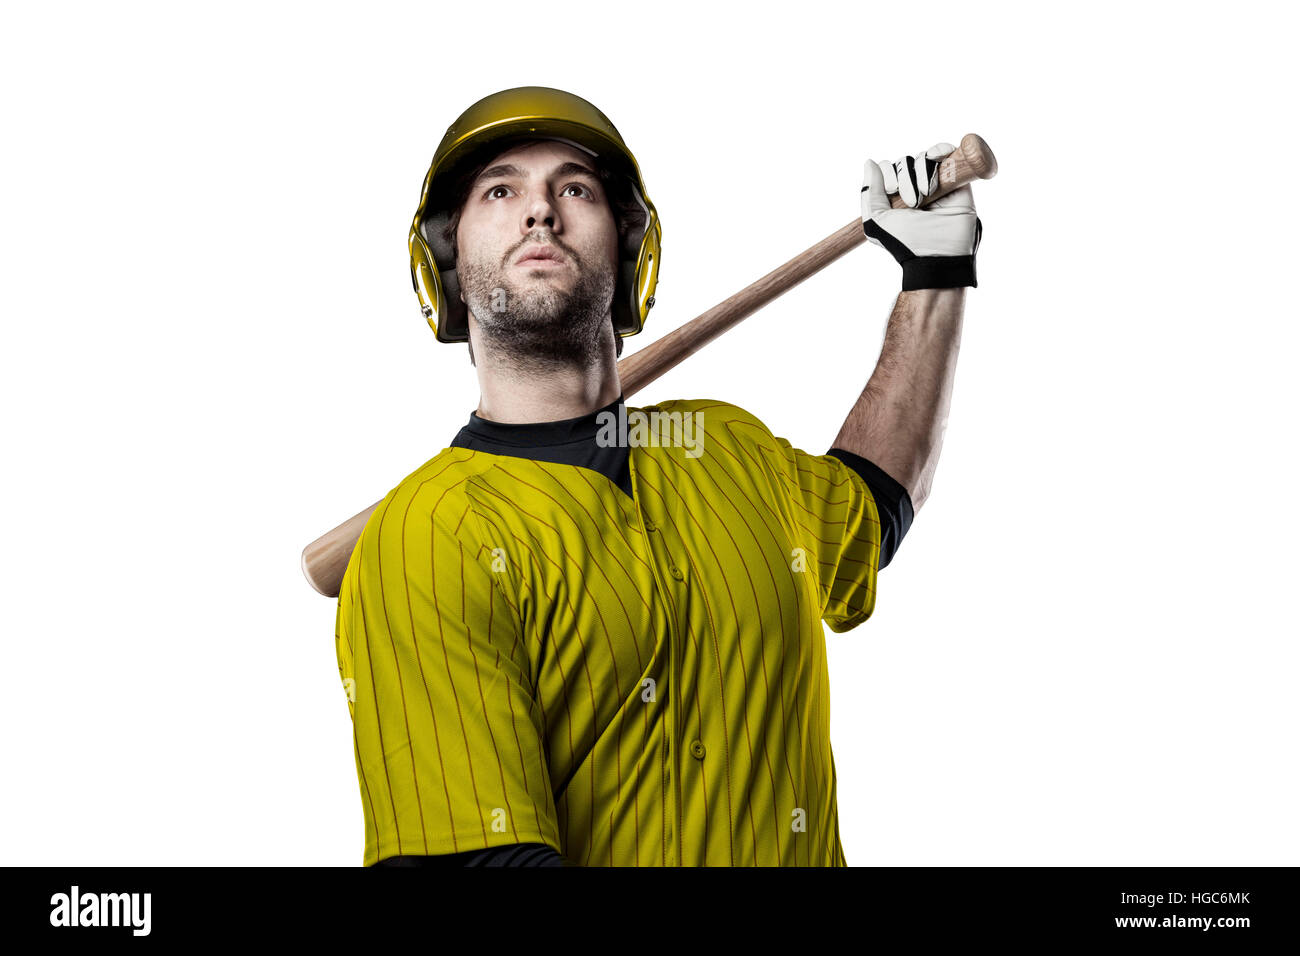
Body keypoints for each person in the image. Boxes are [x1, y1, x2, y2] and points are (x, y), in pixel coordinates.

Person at [334, 86, 981, 866]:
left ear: (630, 252)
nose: (540, 211)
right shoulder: (424, 537)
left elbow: (872, 507)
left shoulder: (722, 446)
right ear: (445, 267)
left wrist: (935, 272)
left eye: (574, 188)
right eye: (500, 191)